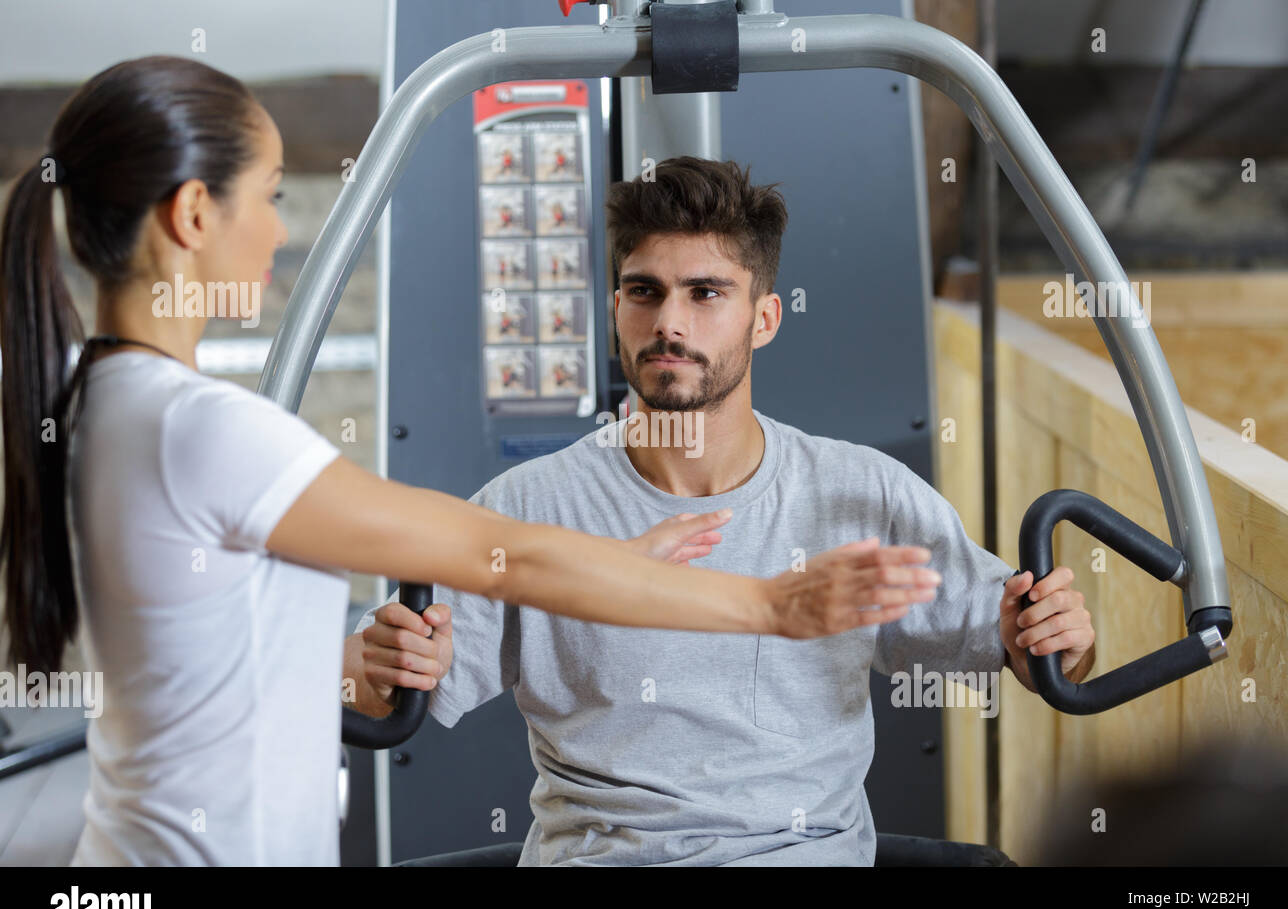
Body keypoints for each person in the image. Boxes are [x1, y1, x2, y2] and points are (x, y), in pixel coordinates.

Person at [0, 58, 929, 867]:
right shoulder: (201, 430)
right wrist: (771, 604)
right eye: (274, 195)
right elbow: (505, 554)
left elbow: (223, 661)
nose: (281, 232)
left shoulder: (102, 401)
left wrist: (599, 574)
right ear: (196, 212)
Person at [348, 156, 1098, 866]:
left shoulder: (863, 494)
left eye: (705, 293)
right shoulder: (526, 509)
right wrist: (385, 668)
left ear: (764, 318)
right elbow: (372, 691)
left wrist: (1048, 640)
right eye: (645, 292)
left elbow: (1041, 662)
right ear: (616, 308)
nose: (670, 322)